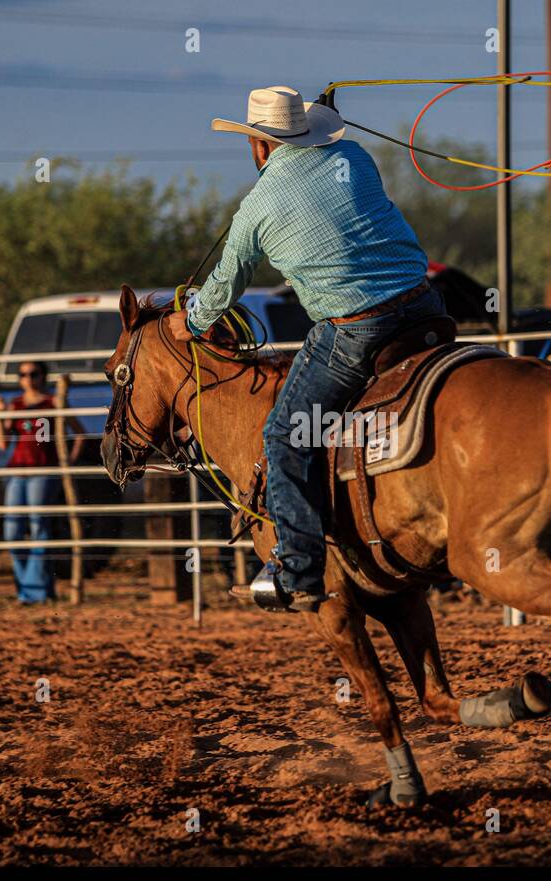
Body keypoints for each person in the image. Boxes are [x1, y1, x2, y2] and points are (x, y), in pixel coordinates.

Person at [167, 85, 442, 611]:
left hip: (358, 331)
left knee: (286, 437)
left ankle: (299, 566)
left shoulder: (257, 209)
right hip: (428, 308)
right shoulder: (354, 157)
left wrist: (193, 322)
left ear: (259, 146)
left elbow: (224, 286)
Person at [0, 361, 85, 604]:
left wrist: (67, 462)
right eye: (23, 374)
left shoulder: (53, 402)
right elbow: (2, 443)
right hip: (17, 471)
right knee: (12, 531)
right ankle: (28, 588)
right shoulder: (16, 405)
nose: (28, 378)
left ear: (43, 377)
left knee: (38, 527)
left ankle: (37, 591)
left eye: (33, 374)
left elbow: (80, 433)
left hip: (43, 471)